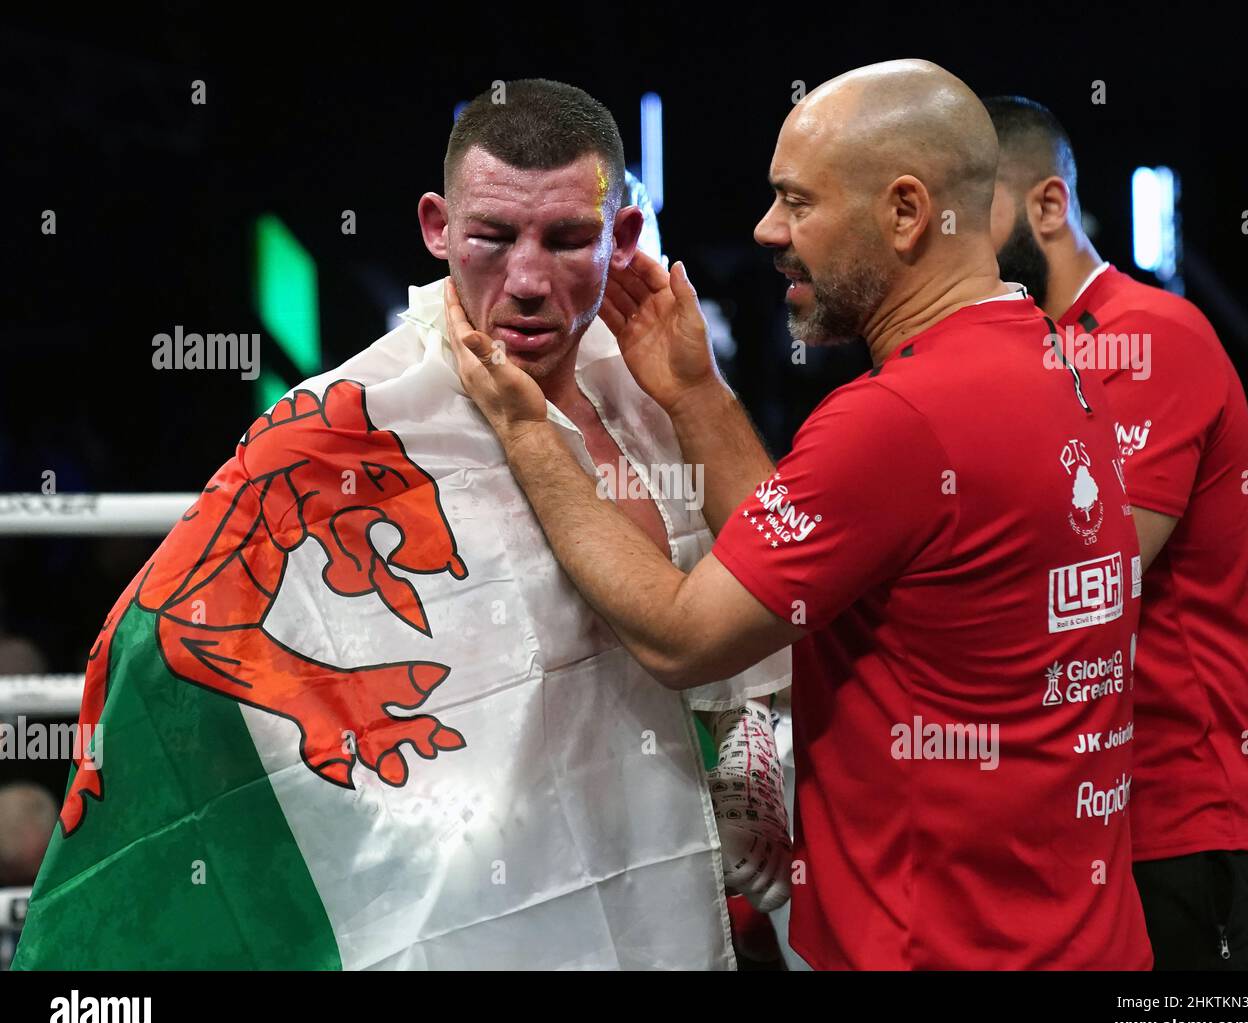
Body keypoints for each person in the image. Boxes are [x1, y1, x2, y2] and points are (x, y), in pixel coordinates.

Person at [15, 79, 789, 972]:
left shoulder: (659, 376)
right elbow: (164, 635)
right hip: (458, 915)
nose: (529, 281)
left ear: (621, 237)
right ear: (436, 227)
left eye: (569, 239)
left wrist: (749, 725)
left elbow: (777, 570)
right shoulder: (346, 420)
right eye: (492, 238)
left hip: (666, 892)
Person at [447, 59, 1151, 970]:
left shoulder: (899, 420)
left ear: (905, 214)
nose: (767, 229)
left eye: (797, 200)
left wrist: (528, 430)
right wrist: (694, 395)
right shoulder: (1045, 359)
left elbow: (683, 637)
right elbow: (801, 565)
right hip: (1077, 939)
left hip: (935, 950)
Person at [986, 95, 1248, 969]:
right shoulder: (1007, 356)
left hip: (1187, 814)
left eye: (973, 215)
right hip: (1071, 814)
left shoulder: (1152, 337)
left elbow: (1089, 572)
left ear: (1049, 205)